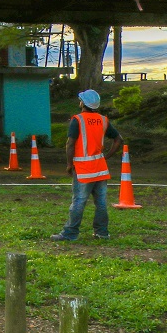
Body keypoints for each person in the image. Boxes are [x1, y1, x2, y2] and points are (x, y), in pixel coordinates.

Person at [51, 89, 120, 241]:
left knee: (79, 202)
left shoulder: (78, 120)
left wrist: (69, 164)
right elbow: (118, 139)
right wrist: (107, 156)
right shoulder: (103, 120)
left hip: (83, 169)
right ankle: (102, 233)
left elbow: (70, 144)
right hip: (100, 168)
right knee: (101, 203)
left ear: (83, 103)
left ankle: (70, 233)